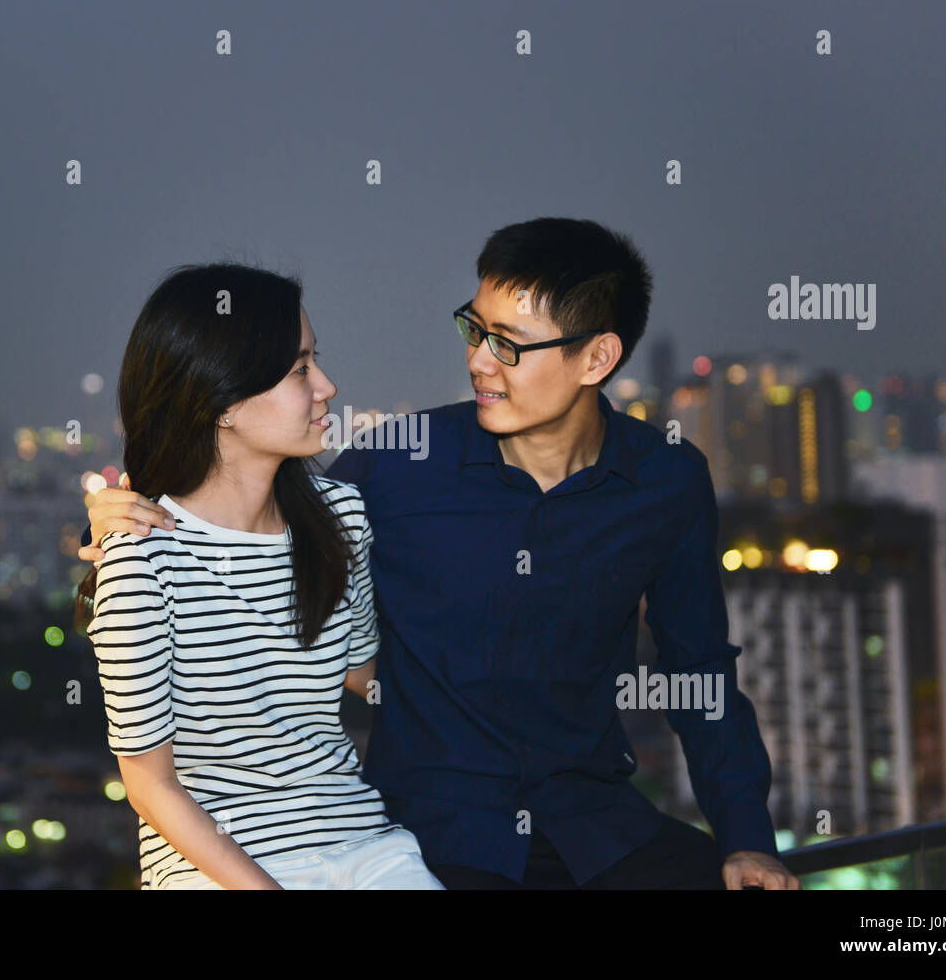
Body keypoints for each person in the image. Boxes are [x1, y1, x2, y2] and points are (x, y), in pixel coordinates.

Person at [81, 217, 801, 890]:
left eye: (509, 344)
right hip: (433, 837)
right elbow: (242, 515)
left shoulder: (667, 481)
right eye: (475, 329)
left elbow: (701, 673)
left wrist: (747, 836)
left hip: (594, 823)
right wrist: (126, 508)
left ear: (597, 356)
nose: (478, 361)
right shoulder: (395, 466)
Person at [74, 261, 444, 890]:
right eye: (300, 369)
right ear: (222, 401)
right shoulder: (142, 554)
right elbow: (150, 786)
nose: (326, 386)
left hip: (362, 846)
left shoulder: (340, 519)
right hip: (213, 865)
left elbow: (362, 676)